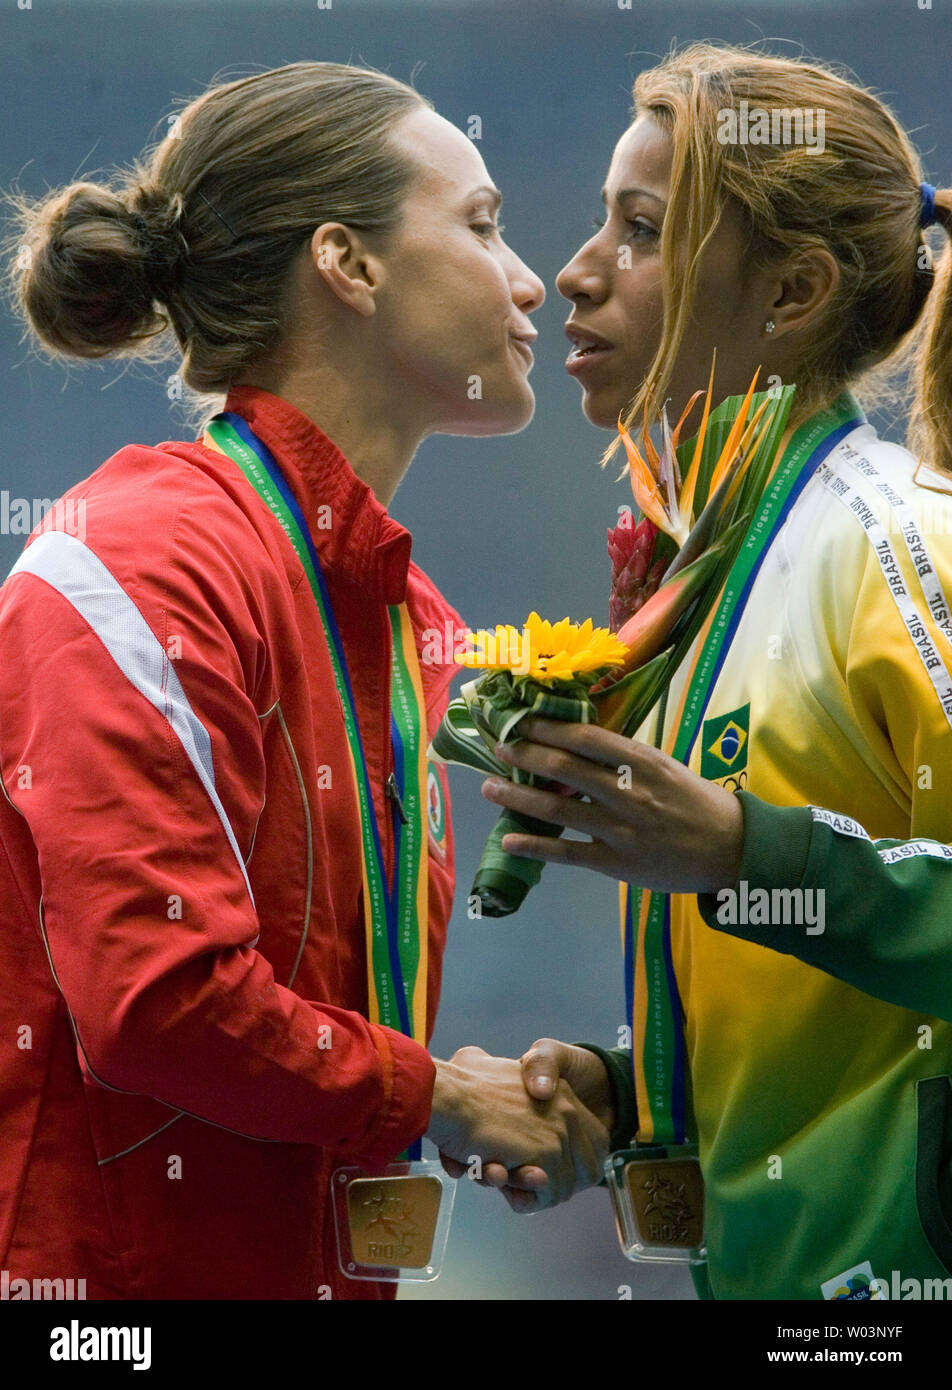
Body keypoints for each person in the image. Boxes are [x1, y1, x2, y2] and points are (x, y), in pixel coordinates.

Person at [0, 60, 609, 1301]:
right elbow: (157, 996)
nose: (530, 277)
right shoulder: (136, 561)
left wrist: (467, 1099)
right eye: (482, 226)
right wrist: (435, 1091)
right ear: (350, 263)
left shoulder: (415, 624)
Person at [456, 43, 952, 1301]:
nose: (571, 273)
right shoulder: (703, 579)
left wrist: (745, 855)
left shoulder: (903, 540)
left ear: (790, 291)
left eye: (636, 230)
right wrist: (627, 1094)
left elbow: (807, 884)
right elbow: (825, 1004)